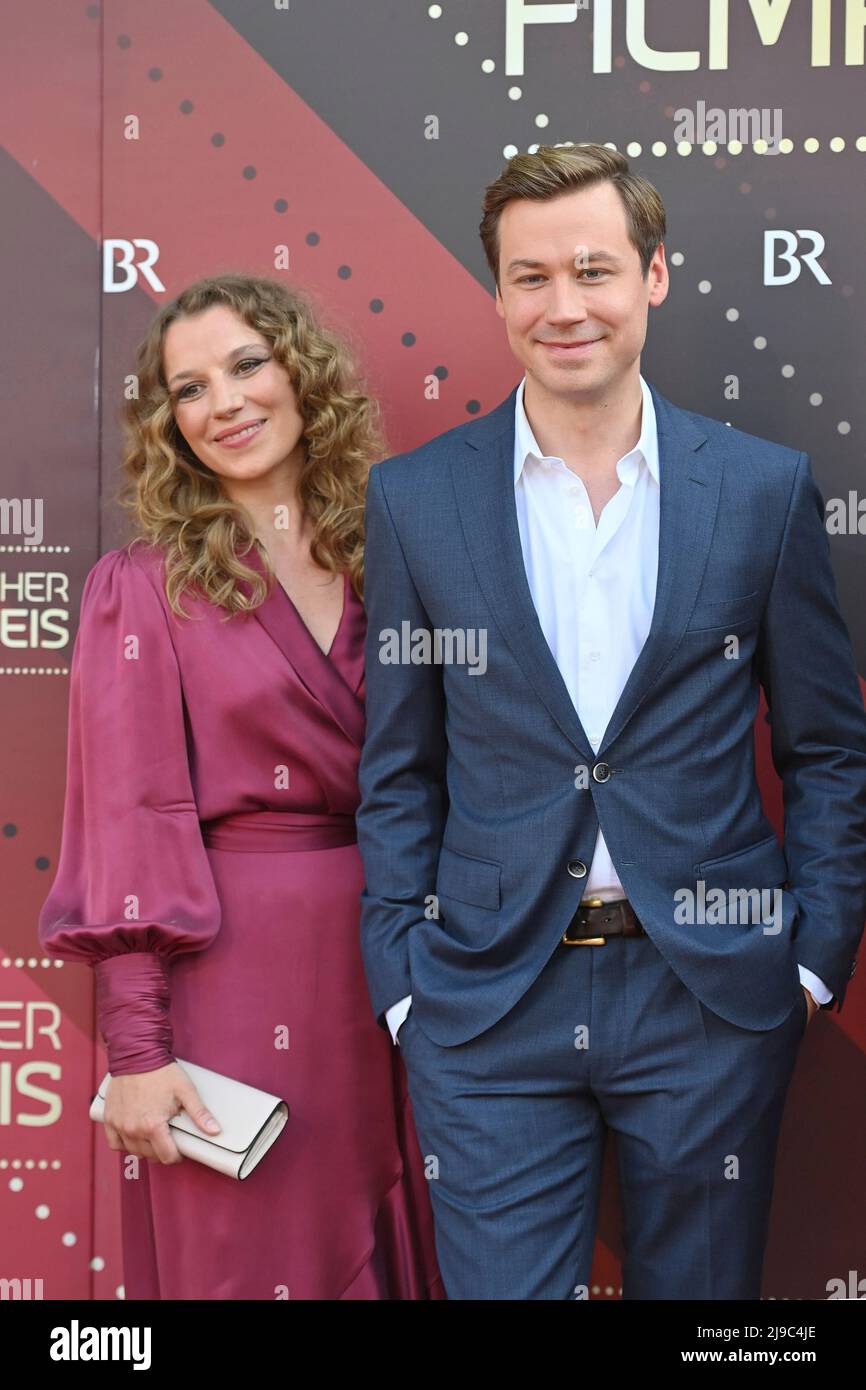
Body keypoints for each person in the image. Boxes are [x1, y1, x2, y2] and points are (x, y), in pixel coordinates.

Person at [355, 143, 866, 1300]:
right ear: (494, 294)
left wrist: (809, 965)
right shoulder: (417, 498)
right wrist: (403, 980)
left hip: (711, 995)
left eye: (593, 268)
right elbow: (399, 765)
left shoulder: (759, 488)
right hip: (485, 1002)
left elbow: (826, 748)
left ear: (654, 276)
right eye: (529, 277)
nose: (563, 304)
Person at [38, 272, 444, 1301]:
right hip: (230, 974)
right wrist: (136, 1048)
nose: (222, 403)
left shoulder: (397, 563)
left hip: (409, 966)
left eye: (246, 365)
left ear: (303, 376)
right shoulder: (143, 586)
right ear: (168, 424)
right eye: (188, 388)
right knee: (249, 1259)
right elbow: (129, 823)